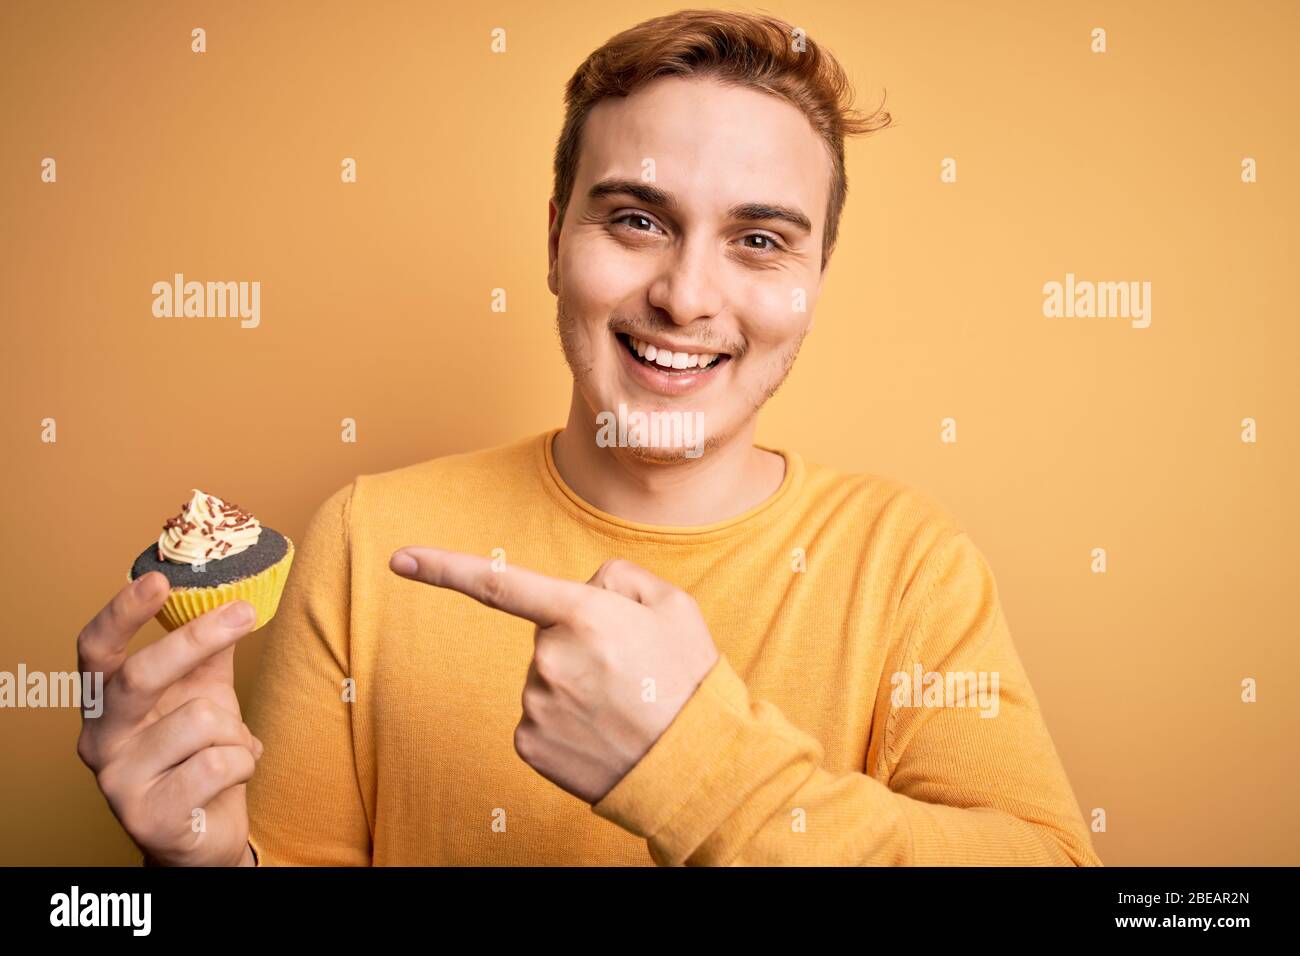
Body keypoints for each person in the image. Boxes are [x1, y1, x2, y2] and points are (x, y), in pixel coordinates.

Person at [76, 9, 1102, 866]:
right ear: (555, 235)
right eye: (637, 220)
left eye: (758, 240)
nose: (686, 295)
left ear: (813, 282)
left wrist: (688, 761)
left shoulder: (907, 562)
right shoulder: (366, 538)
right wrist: (208, 870)